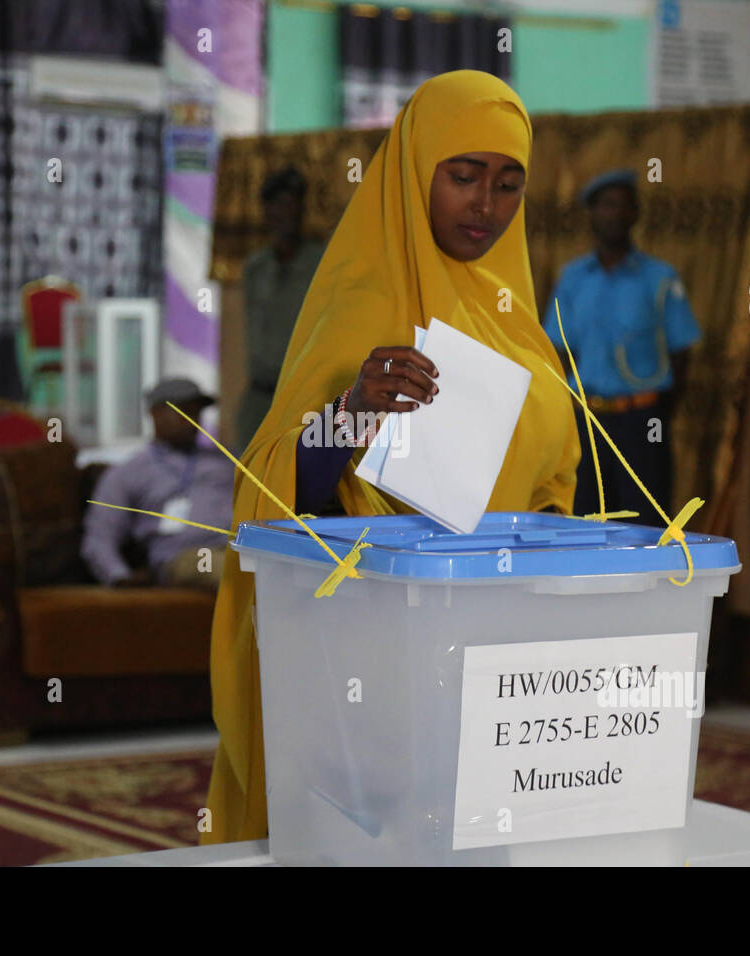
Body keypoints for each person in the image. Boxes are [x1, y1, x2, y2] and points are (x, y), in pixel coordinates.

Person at [201, 71, 580, 844]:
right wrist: (353, 412)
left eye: (509, 183)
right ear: (414, 171)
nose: (487, 205)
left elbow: (552, 486)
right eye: (464, 176)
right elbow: (274, 493)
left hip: (495, 642)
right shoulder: (365, 298)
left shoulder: (513, 316)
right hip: (373, 646)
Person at [542, 168, 701, 526]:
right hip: (586, 421)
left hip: (642, 421)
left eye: (622, 205)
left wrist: (657, 412)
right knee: (584, 521)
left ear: (635, 213)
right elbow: (556, 349)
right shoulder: (572, 279)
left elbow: (682, 354)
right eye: (605, 205)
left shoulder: (660, 278)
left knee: (644, 524)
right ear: (592, 214)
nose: (614, 213)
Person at [81, 378, 234, 590]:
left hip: (245, 547)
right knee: (238, 570)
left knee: (282, 565)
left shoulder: (228, 460)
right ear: (155, 413)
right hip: (188, 557)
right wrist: (119, 576)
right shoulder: (128, 473)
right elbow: (99, 537)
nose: (192, 419)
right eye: (183, 411)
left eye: (196, 412)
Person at [236, 166, 326, 450]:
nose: (282, 214)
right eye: (275, 206)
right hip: (259, 397)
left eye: (290, 205)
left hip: (304, 398)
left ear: (300, 210)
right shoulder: (256, 267)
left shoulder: (321, 263)